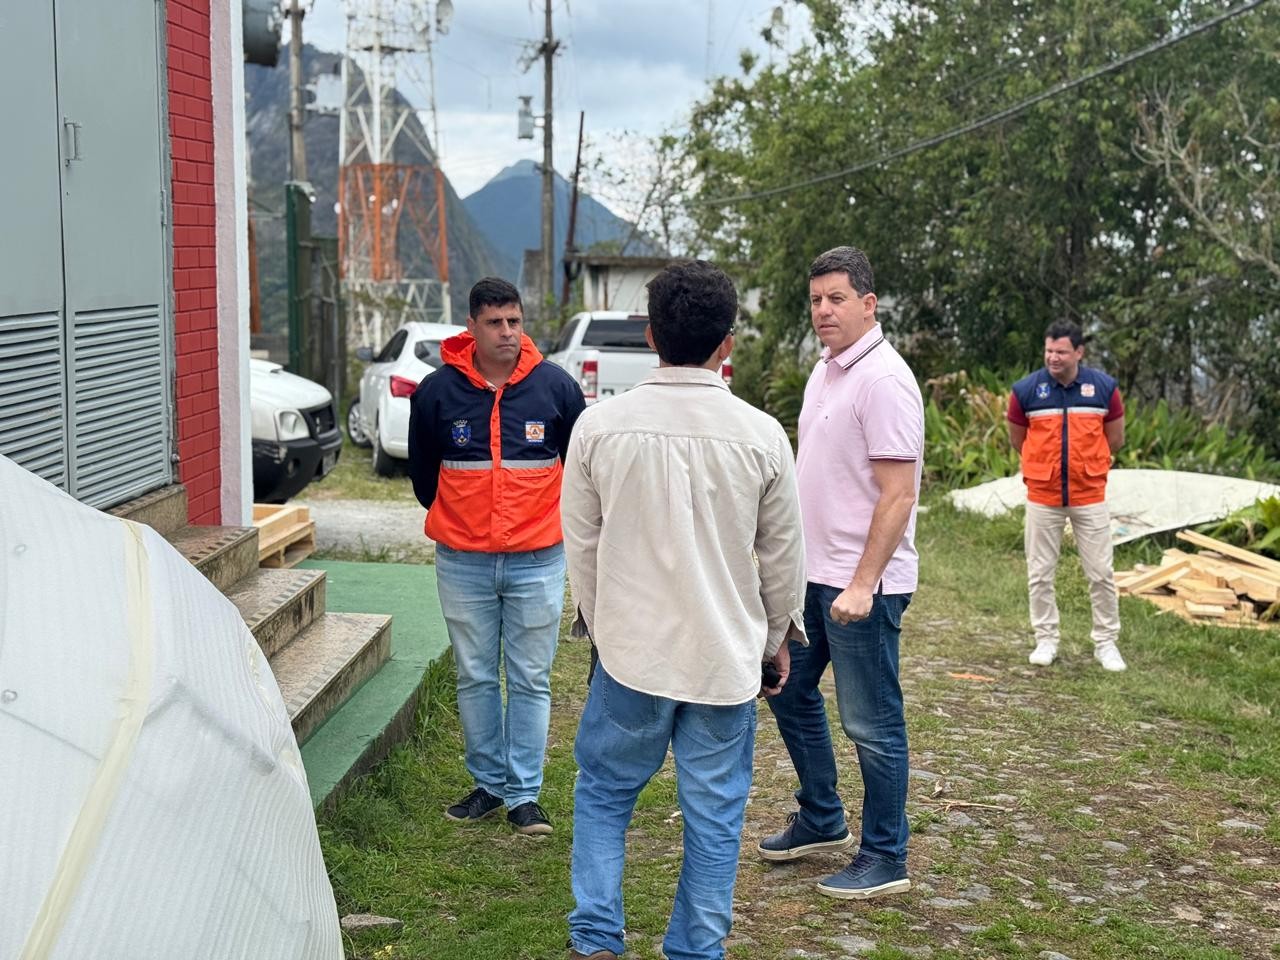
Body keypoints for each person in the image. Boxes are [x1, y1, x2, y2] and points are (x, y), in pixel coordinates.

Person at [561, 260, 806, 960]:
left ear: (649, 334)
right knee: (715, 816)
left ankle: (597, 940)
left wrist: (605, 627)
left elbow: (583, 547)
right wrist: (777, 638)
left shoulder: (599, 427)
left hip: (630, 656)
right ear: (726, 342)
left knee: (606, 794)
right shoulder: (762, 436)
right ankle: (696, 948)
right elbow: (785, 556)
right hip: (725, 658)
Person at [759, 245, 923, 901]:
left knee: (872, 723)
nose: (823, 311)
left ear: (867, 304)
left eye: (835, 299)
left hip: (863, 585)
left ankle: (886, 856)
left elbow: (899, 493)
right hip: (813, 576)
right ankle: (822, 816)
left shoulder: (883, 380)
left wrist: (862, 584)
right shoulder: (827, 370)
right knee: (789, 692)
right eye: (816, 301)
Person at [408, 276, 586, 835]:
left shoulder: (555, 388)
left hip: (538, 562)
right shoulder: (436, 392)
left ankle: (525, 795)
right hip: (463, 562)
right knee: (476, 675)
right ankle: (488, 784)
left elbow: (579, 472)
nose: (507, 332)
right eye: (495, 322)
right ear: (472, 327)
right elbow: (423, 478)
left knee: (531, 679)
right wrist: (464, 522)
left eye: (514, 320)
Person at [1007, 321, 1127, 671]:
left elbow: (1115, 440)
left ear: (1079, 352)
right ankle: (1046, 639)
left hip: (1090, 494)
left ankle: (1107, 643)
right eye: (1048, 350)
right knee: (1040, 572)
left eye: (1060, 351)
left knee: (1101, 573)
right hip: (1042, 494)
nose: (1053, 357)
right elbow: (1018, 439)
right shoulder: (1026, 390)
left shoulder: (1103, 389)